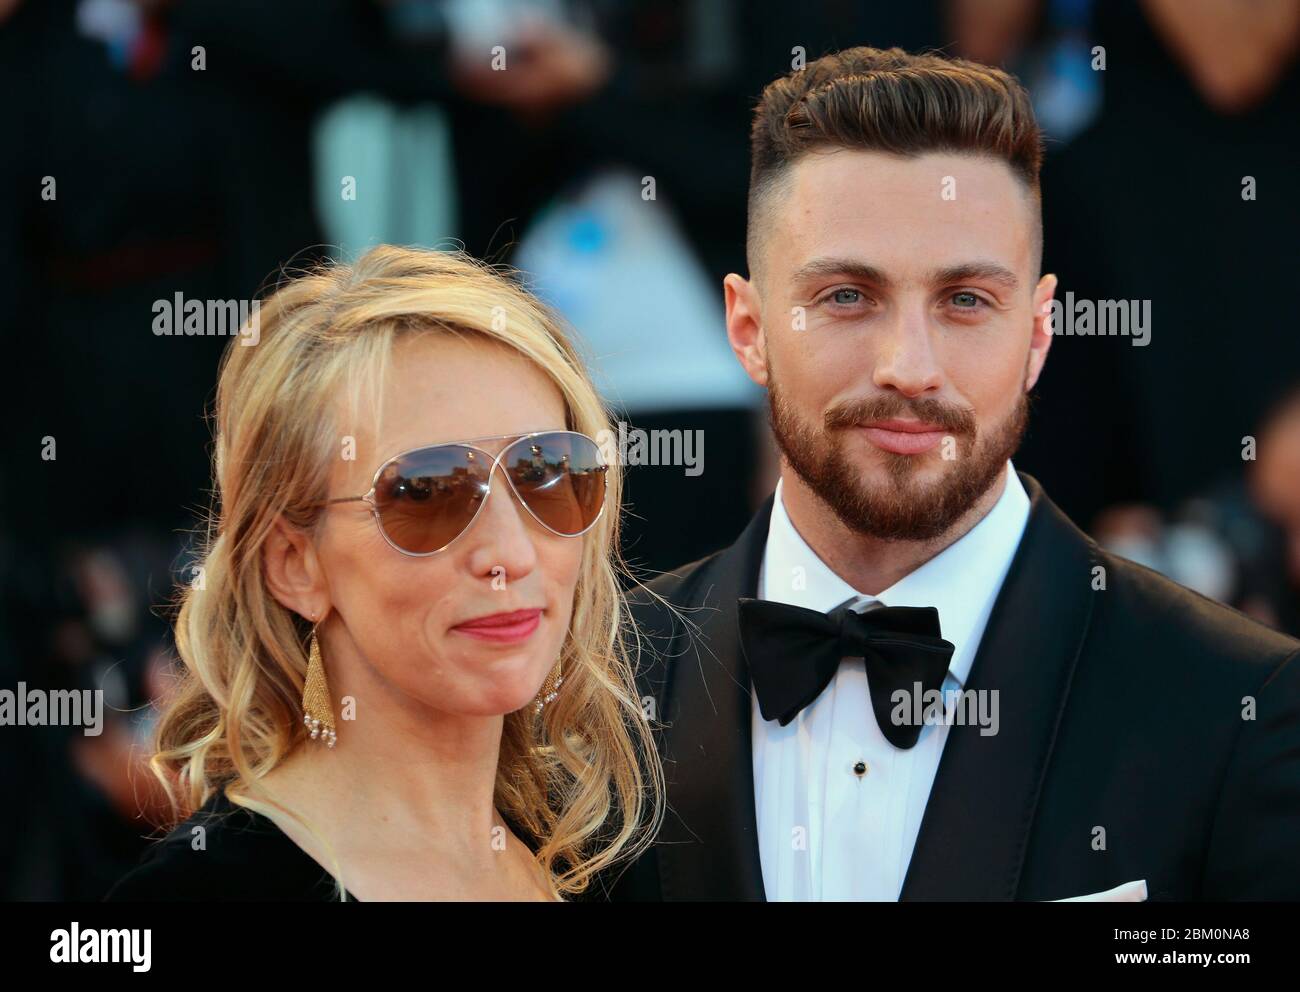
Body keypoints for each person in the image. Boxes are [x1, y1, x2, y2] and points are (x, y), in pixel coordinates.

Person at [597, 46, 1300, 902]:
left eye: (966, 300)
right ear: (748, 329)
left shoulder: (1237, 706)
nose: (909, 367)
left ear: (1039, 334)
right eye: (848, 296)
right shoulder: (592, 686)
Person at [106, 245, 661, 901]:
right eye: (427, 493)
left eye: (548, 474)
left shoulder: (612, 874)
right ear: (295, 566)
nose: (510, 552)